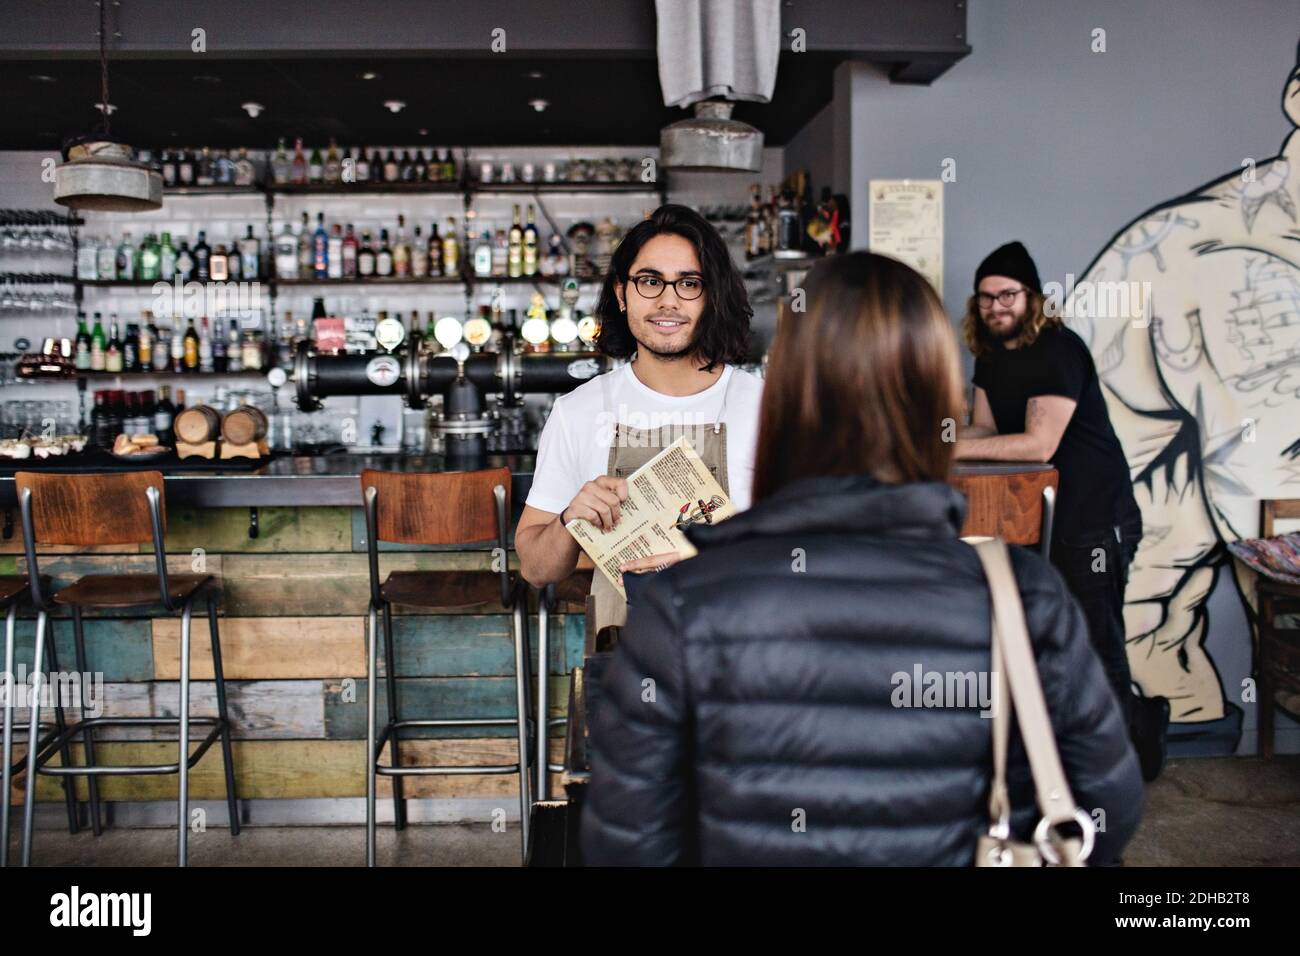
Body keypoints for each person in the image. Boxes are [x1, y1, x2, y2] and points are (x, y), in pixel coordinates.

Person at [580, 252, 1143, 866]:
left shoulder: (683, 604)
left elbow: (627, 845)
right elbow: (1105, 814)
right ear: (935, 406)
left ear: (784, 399)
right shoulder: (1022, 598)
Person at [954, 241, 1168, 780]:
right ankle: (1121, 740)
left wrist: (949, 449)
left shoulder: (1057, 349)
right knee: (1059, 640)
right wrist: (936, 437)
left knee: (1097, 641)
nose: (996, 306)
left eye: (1007, 295)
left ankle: (1124, 772)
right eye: (985, 297)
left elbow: (1036, 444)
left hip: (1096, 517)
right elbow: (985, 427)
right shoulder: (991, 353)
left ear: (1032, 298)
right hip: (1048, 516)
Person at [516, 204, 764, 634]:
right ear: (621, 292)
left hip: (745, 655)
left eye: (689, 283)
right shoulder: (578, 411)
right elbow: (537, 570)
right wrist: (568, 519)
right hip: (624, 654)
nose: (668, 300)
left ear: (713, 296)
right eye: (650, 281)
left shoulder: (767, 406)